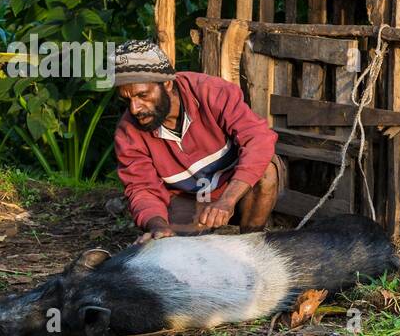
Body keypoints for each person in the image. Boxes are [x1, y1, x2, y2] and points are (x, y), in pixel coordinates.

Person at [111, 39, 285, 242]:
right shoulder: (128, 132)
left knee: (266, 171)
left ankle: (251, 241)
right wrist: (158, 226)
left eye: (143, 95)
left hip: (237, 191)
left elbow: (258, 139)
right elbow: (141, 188)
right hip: (189, 198)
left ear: (166, 83)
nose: (135, 108)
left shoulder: (210, 91)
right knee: (174, 243)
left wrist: (227, 200)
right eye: (127, 100)